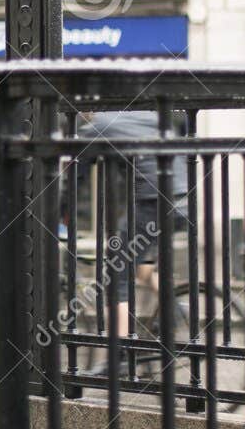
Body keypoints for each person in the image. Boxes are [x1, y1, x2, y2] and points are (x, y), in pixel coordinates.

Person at [77, 109, 190, 375]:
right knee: (139, 264)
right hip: (185, 200)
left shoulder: (99, 126)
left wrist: (60, 209)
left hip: (153, 202)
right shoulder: (149, 116)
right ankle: (173, 309)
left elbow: (77, 171)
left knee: (116, 270)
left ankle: (120, 355)